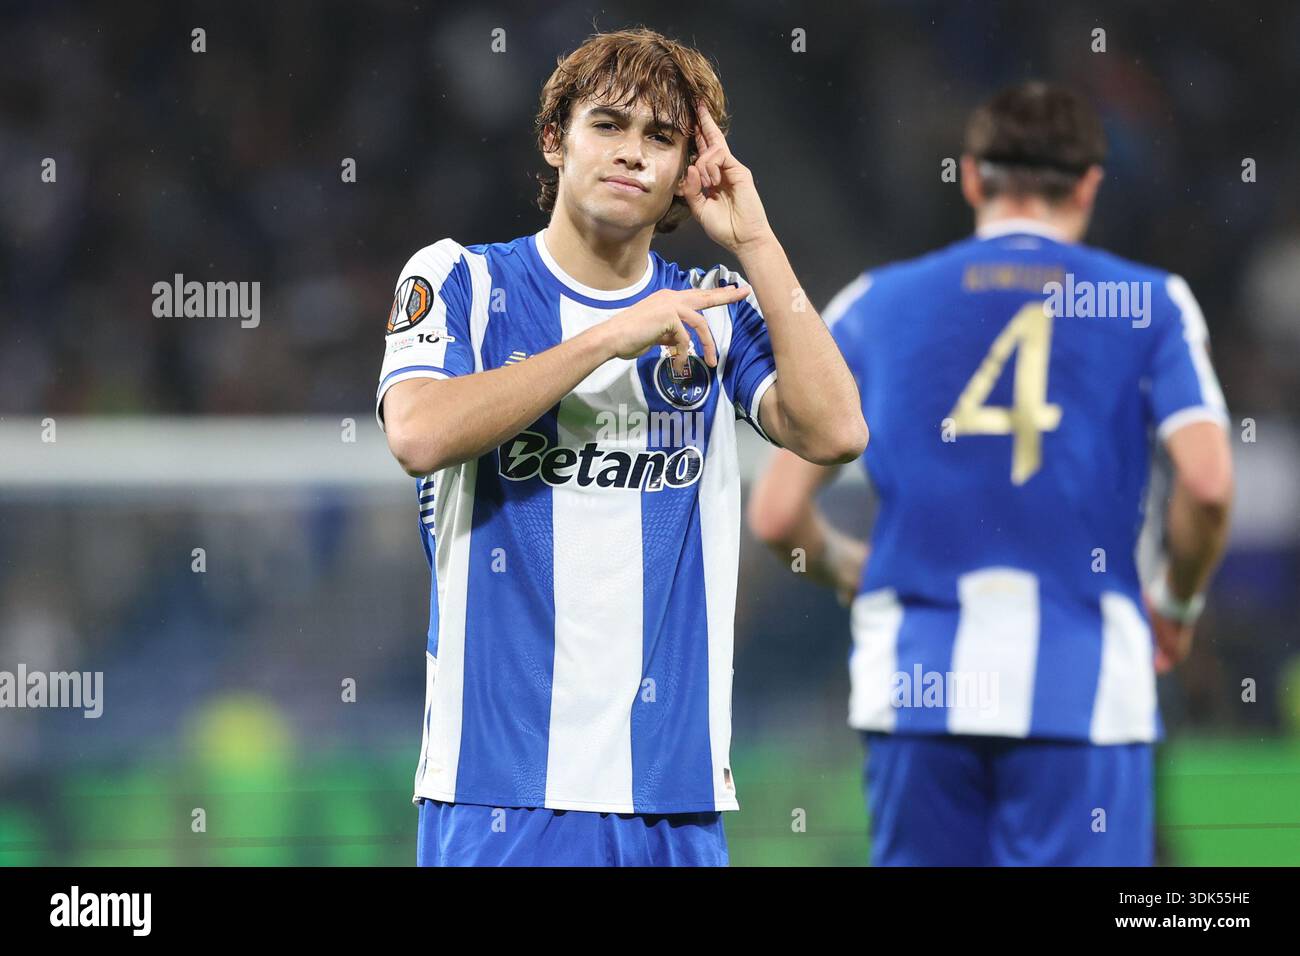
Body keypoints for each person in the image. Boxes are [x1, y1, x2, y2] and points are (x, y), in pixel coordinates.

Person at [375, 27, 867, 866]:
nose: (632, 153)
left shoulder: (711, 306)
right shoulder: (464, 279)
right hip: (500, 790)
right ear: (554, 138)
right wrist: (606, 339)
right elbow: (418, 433)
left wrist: (755, 242)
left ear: (686, 171)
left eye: (662, 137)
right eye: (608, 125)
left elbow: (836, 430)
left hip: (671, 796)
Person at [748, 81, 1233, 866]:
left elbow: (775, 515)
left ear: (972, 178)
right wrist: (1177, 601)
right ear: (1089, 184)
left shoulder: (875, 303)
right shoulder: (1151, 304)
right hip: (1083, 693)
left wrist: (851, 570)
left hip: (915, 688)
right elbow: (1208, 484)